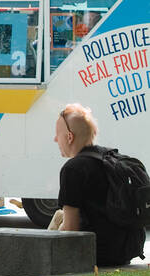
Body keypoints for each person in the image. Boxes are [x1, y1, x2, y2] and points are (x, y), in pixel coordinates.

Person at [53, 104, 146, 267]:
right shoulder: (111, 157)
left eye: (57, 135)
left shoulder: (73, 168)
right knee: (59, 215)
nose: (55, 140)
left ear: (69, 137)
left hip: (96, 254)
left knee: (61, 220)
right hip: (126, 250)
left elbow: (71, 229)